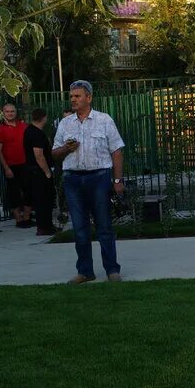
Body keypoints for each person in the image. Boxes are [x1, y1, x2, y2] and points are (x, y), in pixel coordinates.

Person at [51, 80, 126, 283]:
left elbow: (117, 152)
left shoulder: (104, 120)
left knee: (104, 226)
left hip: (99, 177)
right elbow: (54, 153)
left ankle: (112, 270)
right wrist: (67, 148)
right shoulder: (65, 124)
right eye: (72, 96)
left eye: (77, 96)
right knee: (80, 228)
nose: (73, 99)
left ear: (89, 97)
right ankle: (85, 271)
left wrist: (117, 180)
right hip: (73, 179)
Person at [0, 103, 32, 228]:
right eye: (7, 111)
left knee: (29, 191)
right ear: (3, 113)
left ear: (16, 112)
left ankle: (27, 217)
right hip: (11, 166)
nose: (10, 113)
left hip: (26, 164)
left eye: (12, 111)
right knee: (14, 193)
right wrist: (6, 168)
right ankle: (18, 219)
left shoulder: (24, 126)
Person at [25, 108, 57, 236]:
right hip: (39, 172)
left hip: (33, 171)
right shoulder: (37, 133)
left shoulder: (29, 130)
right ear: (44, 118)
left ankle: (45, 225)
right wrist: (47, 172)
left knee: (41, 199)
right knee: (44, 200)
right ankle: (44, 227)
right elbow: (39, 155)